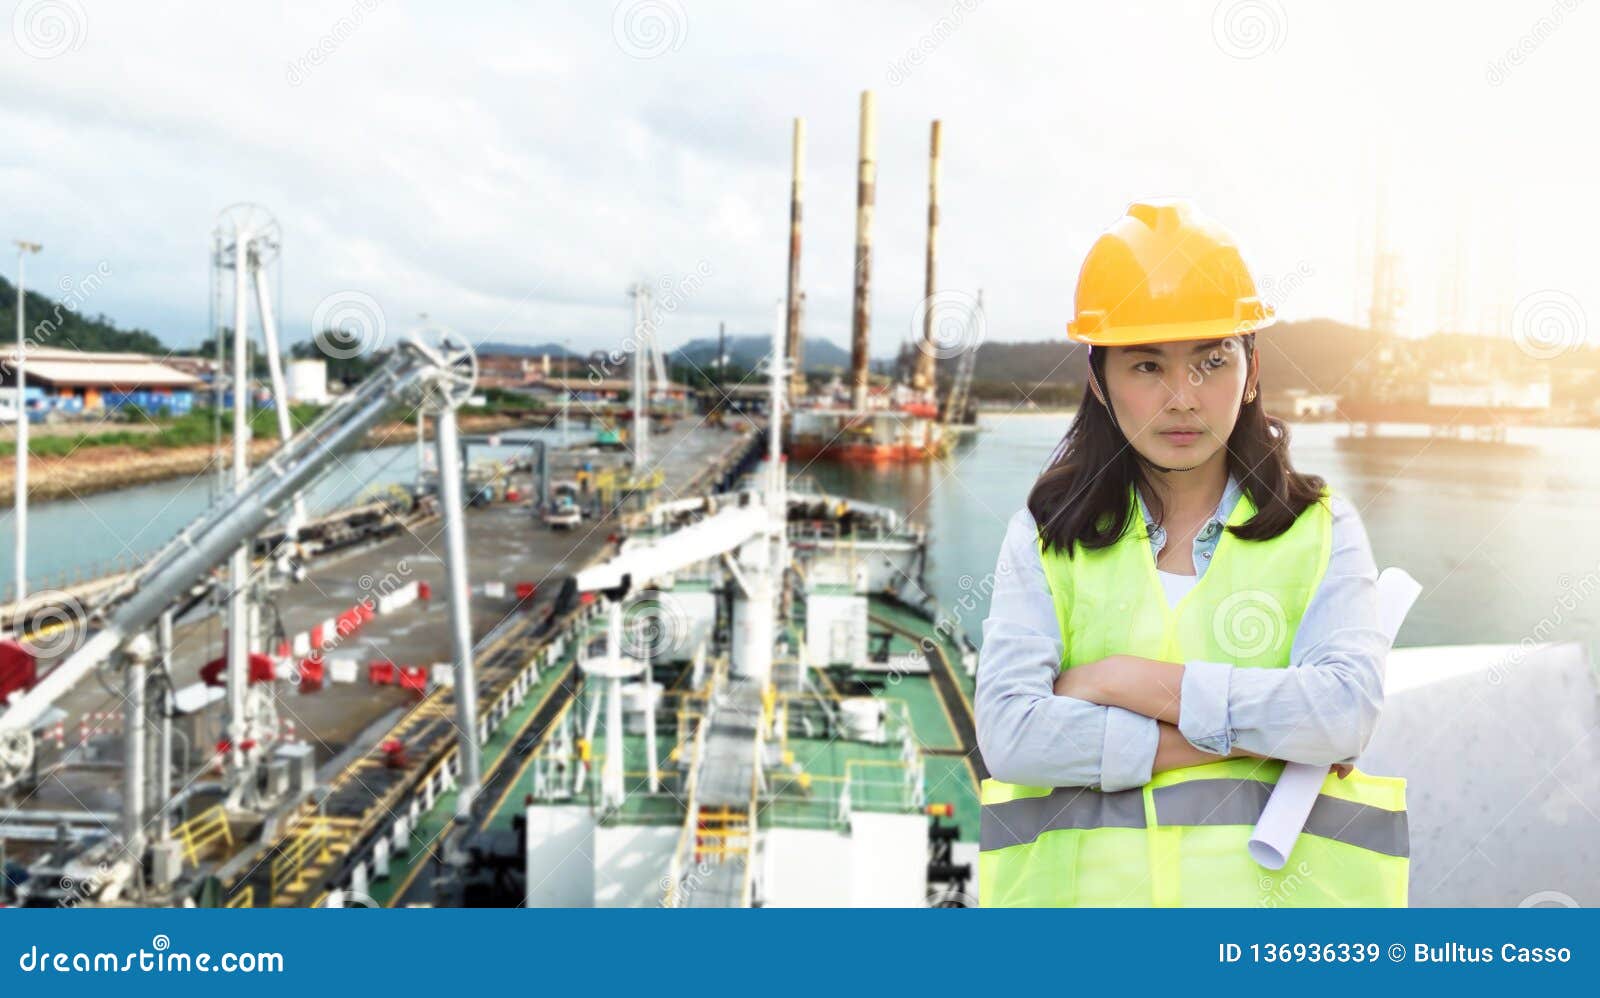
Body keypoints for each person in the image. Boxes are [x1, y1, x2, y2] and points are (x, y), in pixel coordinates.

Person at [974, 200, 1408, 907]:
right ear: (1099, 380)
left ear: (1252, 368)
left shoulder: (1320, 527)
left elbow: (1343, 714)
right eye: (1148, 365)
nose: (1183, 398)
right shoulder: (1047, 531)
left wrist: (1116, 678)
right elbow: (1012, 736)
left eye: (1211, 360)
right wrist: (1263, 735)